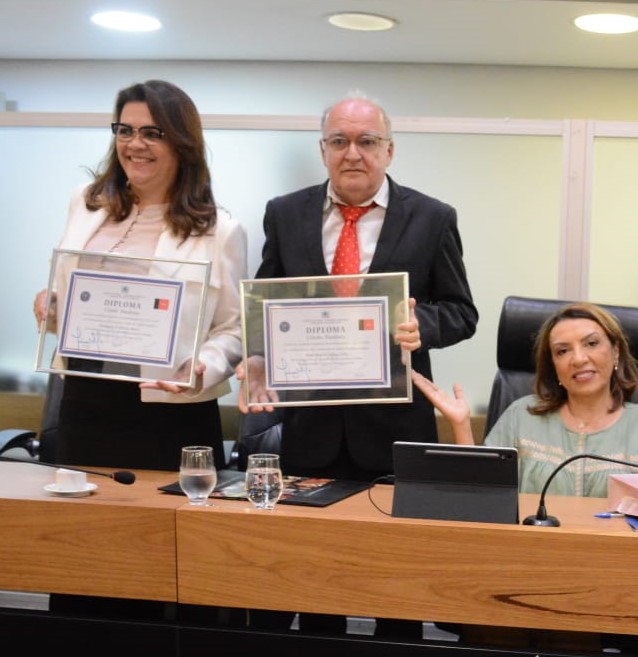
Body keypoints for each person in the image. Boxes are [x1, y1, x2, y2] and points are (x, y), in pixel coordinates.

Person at [240, 91, 478, 480]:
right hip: (309, 430)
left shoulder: (432, 218)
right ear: (323, 150)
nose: (352, 153)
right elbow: (265, 305)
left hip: (397, 433)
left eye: (366, 141)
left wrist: (423, 326)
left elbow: (462, 313)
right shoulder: (284, 214)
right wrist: (257, 356)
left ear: (389, 150)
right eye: (339, 141)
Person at [33, 79, 246, 470]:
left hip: (170, 410)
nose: (135, 144)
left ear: (181, 142)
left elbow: (234, 329)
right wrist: (52, 307)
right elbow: (72, 296)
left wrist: (203, 367)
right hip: (83, 400)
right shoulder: (84, 203)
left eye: (152, 133)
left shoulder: (220, 230)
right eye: (125, 130)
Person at [413, 302, 638, 494]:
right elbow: (478, 499)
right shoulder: (521, 416)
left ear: (615, 353)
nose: (578, 358)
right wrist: (462, 426)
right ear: (554, 367)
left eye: (591, 343)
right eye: (562, 351)